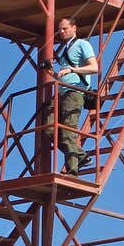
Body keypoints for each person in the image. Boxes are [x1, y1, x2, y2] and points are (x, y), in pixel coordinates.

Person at [49, 16, 98, 176]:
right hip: (61, 92)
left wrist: (72, 69)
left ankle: (72, 171)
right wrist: (50, 72)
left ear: (74, 28)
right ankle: (81, 156)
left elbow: (94, 67)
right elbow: (62, 75)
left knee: (68, 132)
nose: (62, 32)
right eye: (60, 30)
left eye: (65, 28)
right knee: (49, 129)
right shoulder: (65, 49)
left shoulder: (82, 44)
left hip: (74, 92)